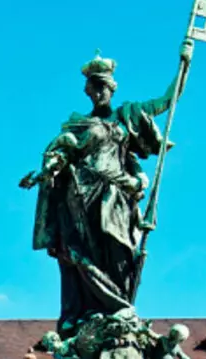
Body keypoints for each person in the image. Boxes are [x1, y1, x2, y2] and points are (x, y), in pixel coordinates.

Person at [20, 42, 193, 336]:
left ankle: (119, 306)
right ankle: (85, 315)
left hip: (115, 195)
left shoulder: (127, 115)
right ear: (87, 90)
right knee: (79, 255)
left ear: (112, 88)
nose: (97, 91)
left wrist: (185, 63)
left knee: (119, 253)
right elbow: (61, 156)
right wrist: (43, 174)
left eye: (102, 86)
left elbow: (168, 100)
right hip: (80, 196)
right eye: (93, 87)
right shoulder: (77, 125)